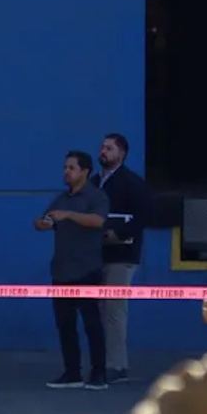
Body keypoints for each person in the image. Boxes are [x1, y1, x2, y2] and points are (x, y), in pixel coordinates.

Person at [34, 150, 110, 390]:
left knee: (92, 324)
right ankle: (72, 373)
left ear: (85, 171)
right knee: (65, 324)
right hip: (61, 270)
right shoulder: (61, 199)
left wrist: (70, 215)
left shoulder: (96, 196)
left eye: (71, 168)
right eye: (65, 167)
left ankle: (99, 373)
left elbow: (98, 221)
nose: (66, 172)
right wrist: (43, 223)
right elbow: (43, 220)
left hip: (87, 269)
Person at [92, 132, 155, 385]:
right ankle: (103, 361)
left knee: (115, 310)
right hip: (97, 255)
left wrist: (119, 233)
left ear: (122, 153)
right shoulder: (94, 182)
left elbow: (144, 216)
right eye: (102, 147)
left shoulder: (132, 183)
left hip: (123, 255)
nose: (103, 152)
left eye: (109, 148)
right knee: (100, 309)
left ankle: (116, 365)